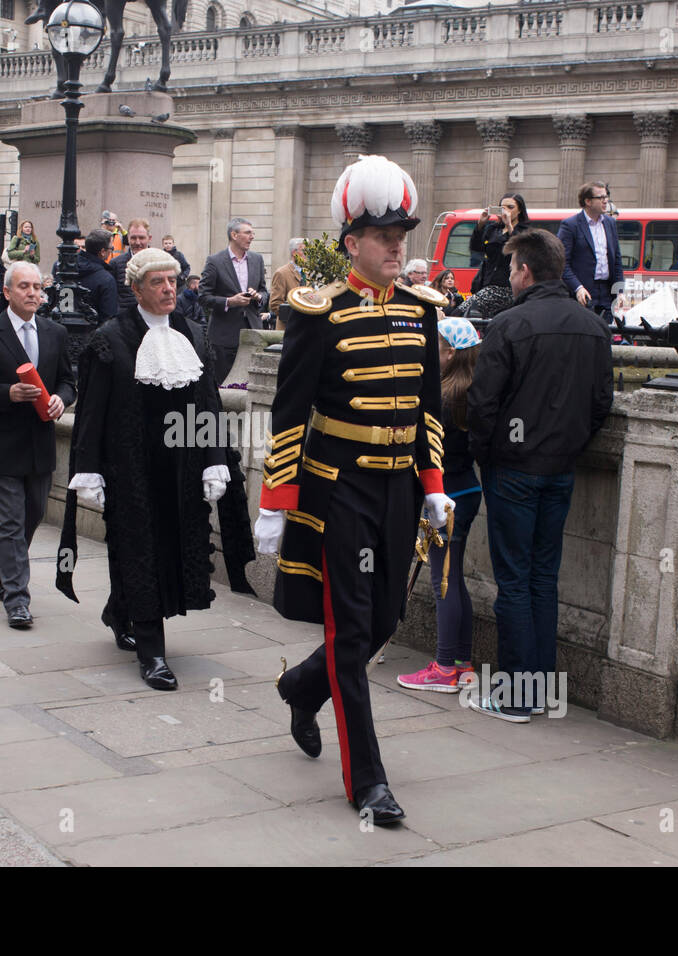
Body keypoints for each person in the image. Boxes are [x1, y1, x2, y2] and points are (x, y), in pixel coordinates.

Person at [254, 155, 452, 826]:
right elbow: (288, 411)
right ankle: (368, 781)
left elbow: (429, 407)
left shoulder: (423, 310)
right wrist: (276, 501)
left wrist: (434, 485)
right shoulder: (318, 311)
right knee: (350, 631)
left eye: (403, 233)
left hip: (399, 489)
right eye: (384, 235)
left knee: (387, 620)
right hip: (339, 489)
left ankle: (300, 687)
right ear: (351, 244)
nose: (399, 245)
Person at [60, 248, 254, 690]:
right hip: (130, 467)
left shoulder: (193, 331)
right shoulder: (108, 338)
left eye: (173, 281)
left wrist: (213, 462)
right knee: (138, 549)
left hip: (182, 468)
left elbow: (207, 402)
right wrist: (89, 471)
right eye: (158, 282)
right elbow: (91, 414)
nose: (169, 289)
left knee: (167, 549)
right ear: (136, 289)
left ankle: (117, 611)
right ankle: (152, 652)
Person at [465, 228, 613, 722]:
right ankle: (541, 689)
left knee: (514, 581)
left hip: (513, 468)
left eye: (511, 269)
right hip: (559, 469)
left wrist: (487, 455)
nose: (509, 276)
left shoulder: (509, 324)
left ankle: (516, 697)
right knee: (543, 579)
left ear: (525, 271)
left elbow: (482, 406)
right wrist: (569, 445)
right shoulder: (591, 326)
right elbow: (600, 405)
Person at [0, 262, 76, 628]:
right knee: (10, 520)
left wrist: (61, 398)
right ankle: (17, 598)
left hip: (40, 441)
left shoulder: (55, 332)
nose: (32, 293)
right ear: (7, 292)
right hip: (2, 441)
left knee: (35, 513)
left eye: (37, 287)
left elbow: (69, 381)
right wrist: (6, 393)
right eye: (24, 287)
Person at [398, 317, 483, 692]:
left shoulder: (442, 397)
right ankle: (462, 663)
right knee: (454, 579)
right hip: (467, 491)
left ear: (450, 353)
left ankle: (446, 666)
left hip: (444, 498)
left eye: (436, 346)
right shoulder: (471, 391)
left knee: (442, 582)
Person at [199, 217, 269, 383]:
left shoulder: (257, 259)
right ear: (234, 235)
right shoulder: (214, 261)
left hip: (253, 332)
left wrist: (258, 297)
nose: (252, 237)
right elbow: (203, 296)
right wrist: (229, 302)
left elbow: (265, 291)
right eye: (248, 233)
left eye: (252, 233)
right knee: (225, 386)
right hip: (224, 337)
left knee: (252, 384)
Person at [557, 182, 624, 318]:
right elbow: (562, 262)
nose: (605, 201)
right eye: (601, 197)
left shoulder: (610, 223)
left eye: (606, 196)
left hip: (606, 292)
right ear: (588, 201)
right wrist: (578, 288)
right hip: (582, 292)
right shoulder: (570, 225)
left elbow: (616, 260)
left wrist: (620, 291)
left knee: (606, 333)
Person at [459, 193, 529, 319]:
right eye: (502, 207)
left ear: (519, 211)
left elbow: (520, 251)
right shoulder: (493, 229)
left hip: (506, 286)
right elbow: (476, 248)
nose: (506, 211)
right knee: (465, 313)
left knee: (461, 311)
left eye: (510, 207)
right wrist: (480, 225)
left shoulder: (524, 231)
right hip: (486, 281)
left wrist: (509, 226)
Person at [107, 218, 153, 319]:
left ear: (149, 238)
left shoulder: (160, 262)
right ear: (128, 238)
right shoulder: (115, 264)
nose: (137, 242)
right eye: (133, 238)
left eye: (141, 238)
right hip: (125, 322)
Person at [76, 228, 120, 324]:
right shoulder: (106, 280)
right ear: (103, 252)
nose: (111, 251)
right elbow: (109, 318)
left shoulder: (67, 270)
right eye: (111, 248)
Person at [268, 237, 307, 323]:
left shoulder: (309, 273)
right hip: (288, 328)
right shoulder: (282, 273)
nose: (307, 255)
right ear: (294, 253)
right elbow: (275, 304)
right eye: (304, 251)